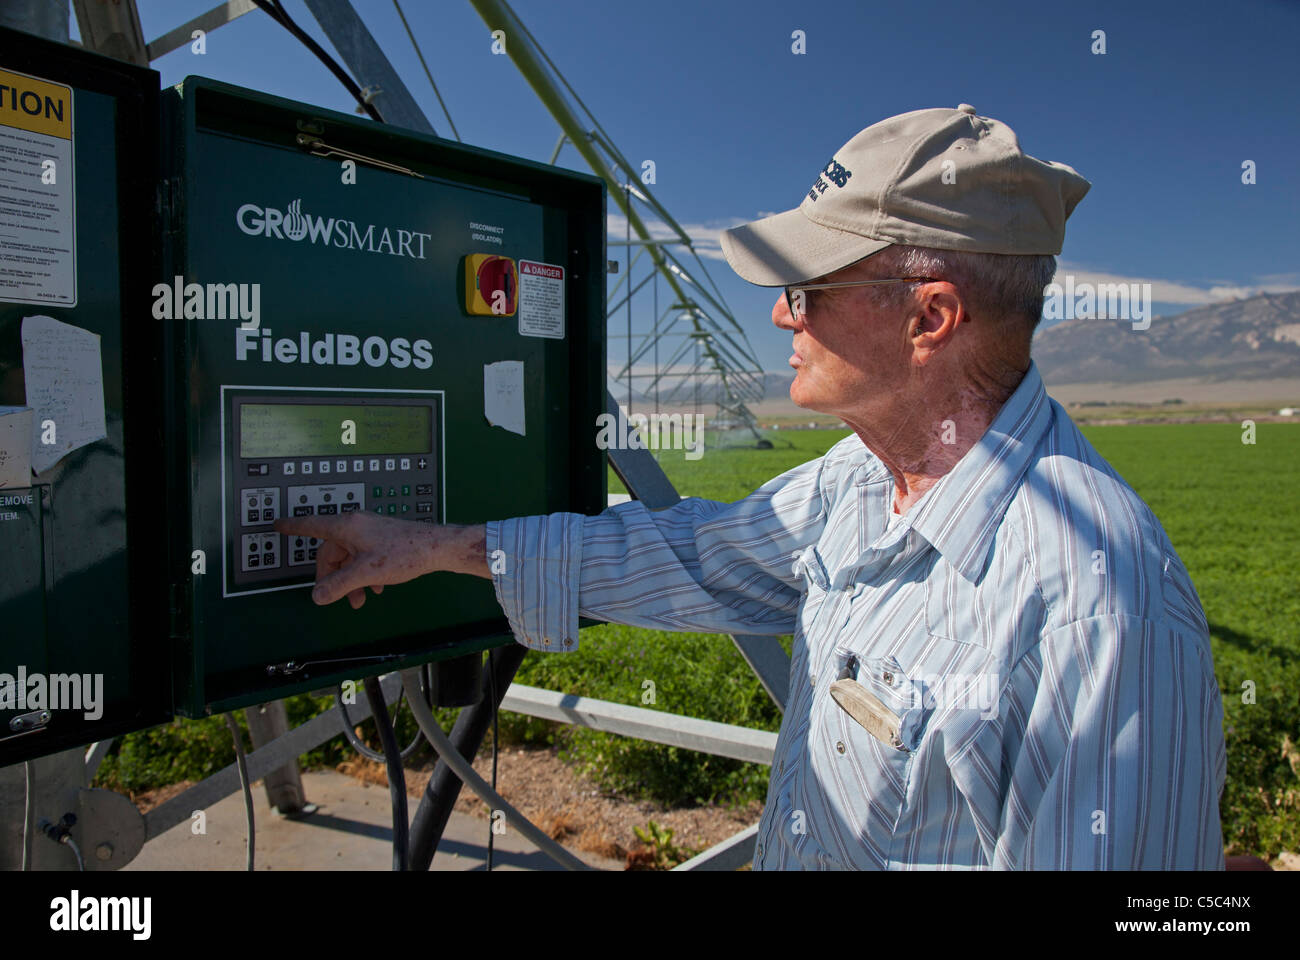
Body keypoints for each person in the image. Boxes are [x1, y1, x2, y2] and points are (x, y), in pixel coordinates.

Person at [277, 105, 1227, 870]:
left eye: (807, 288)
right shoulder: (856, 481)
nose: (779, 313)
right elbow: (683, 554)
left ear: (929, 316)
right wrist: (436, 546)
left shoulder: (1098, 613)